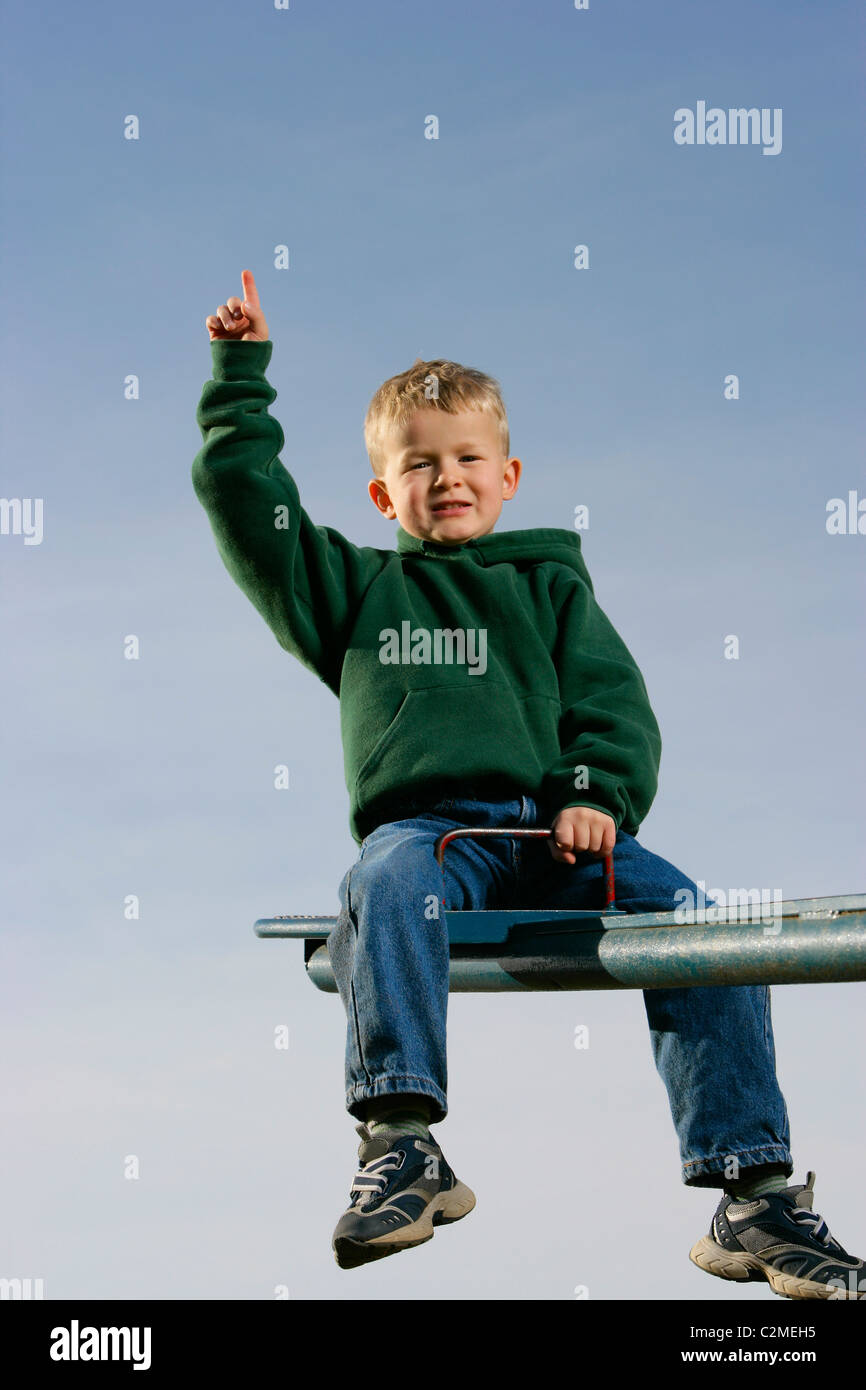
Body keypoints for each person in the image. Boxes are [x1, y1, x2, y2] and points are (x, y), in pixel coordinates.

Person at [192, 270, 864, 1298]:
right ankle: (402, 1141)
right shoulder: (359, 593)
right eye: (419, 464)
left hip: (562, 837)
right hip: (434, 838)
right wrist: (240, 379)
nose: (446, 477)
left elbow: (610, 704)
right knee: (378, 883)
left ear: (508, 475)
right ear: (384, 493)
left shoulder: (549, 587)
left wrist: (590, 791)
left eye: (467, 458)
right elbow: (248, 507)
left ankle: (752, 1195)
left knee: (699, 925)